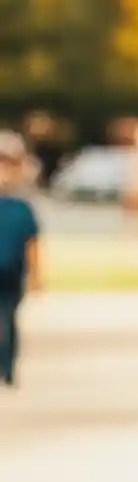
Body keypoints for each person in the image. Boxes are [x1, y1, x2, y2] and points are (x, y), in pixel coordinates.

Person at [0, 131, 42, 388]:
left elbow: (32, 242)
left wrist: (37, 274)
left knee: (9, 316)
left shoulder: (21, 207)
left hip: (12, 270)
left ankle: (8, 365)